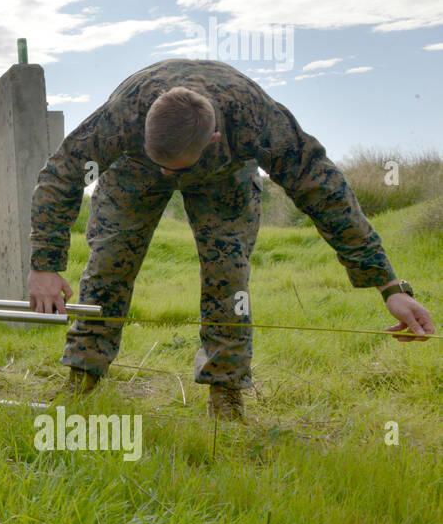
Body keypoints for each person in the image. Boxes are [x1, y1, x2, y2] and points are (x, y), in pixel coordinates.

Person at [27, 58, 436, 421]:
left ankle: (226, 397)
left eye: (178, 168)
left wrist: (388, 284)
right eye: (165, 167)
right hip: (135, 172)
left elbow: (324, 192)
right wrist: (44, 264)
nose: (172, 177)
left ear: (214, 139)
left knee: (229, 276)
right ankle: (83, 376)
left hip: (225, 178)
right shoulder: (122, 116)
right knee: (108, 265)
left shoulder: (255, 120)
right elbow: (61, 173)